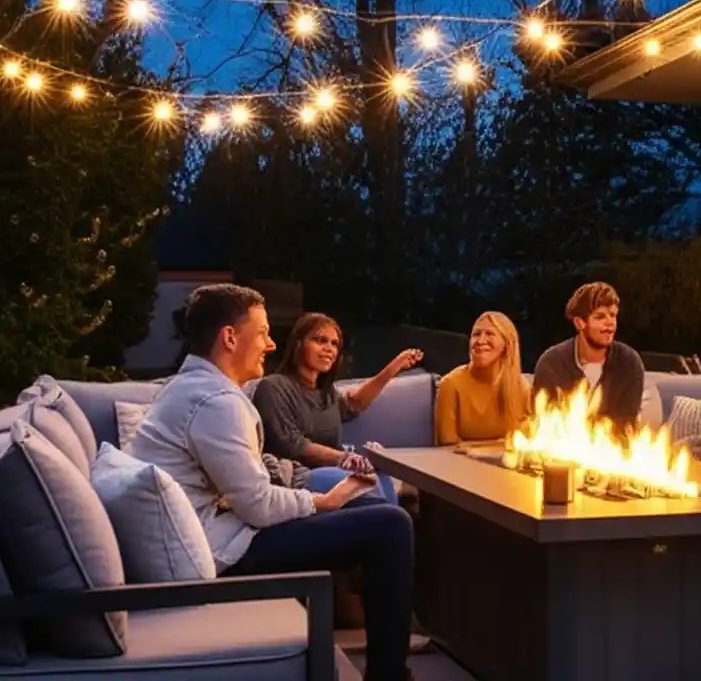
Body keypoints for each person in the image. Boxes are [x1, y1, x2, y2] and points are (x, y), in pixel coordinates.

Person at [128, 284, 413, 681]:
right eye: (262, 332)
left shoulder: (190, 387)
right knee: (392, 527)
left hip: (223, 530)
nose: (270, 343)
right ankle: (389, 675)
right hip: (224, 552)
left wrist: (318, 496)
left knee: (372, 509)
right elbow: (259, 505)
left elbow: (245, 483)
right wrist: (321, 501)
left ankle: (367, 626)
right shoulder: (216, 402)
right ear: (230, 337)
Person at [253, 312, 424, 504]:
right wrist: (346, 458)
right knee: (370, 488)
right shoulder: (274, 387)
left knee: (382, 480)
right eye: (319, 340)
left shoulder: (327, 393)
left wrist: (397, 365)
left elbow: (355, 404)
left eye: (334, 344)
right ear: (298, 344)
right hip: (298, 476)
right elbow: (291, 444)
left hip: (335, 469)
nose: (328, 349)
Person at [532, 282, 645, 431]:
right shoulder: (552, 364)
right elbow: (544, 421)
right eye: (600, 317)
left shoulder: (629, 363)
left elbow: (626, 423)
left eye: (613, 315)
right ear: (580, 323)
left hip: (614, 449)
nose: (610, 323)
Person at [435, 311, 531, 446]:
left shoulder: (521, 387)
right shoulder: (451, 384)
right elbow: (448, 443)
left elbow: (528, 440)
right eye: (476, 334)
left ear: (507, 344)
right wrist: (499, 444)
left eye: (490, 334)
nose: (480, 341)